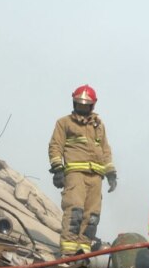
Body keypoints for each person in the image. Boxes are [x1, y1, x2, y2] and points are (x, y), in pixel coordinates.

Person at [48, 84, 116, 255]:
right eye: (79, 104)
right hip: (75, 175)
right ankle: (68, 253)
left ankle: (82, 251)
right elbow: (55, 146)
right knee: (75, 212)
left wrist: (111, 173)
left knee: (92, 216)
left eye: (85, 105)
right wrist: (57, 169)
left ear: (92, 105)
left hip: (96, 177)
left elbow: (105, 150)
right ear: (74, 103)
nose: (82, 108)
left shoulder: (98, 126)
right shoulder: (64, 123)